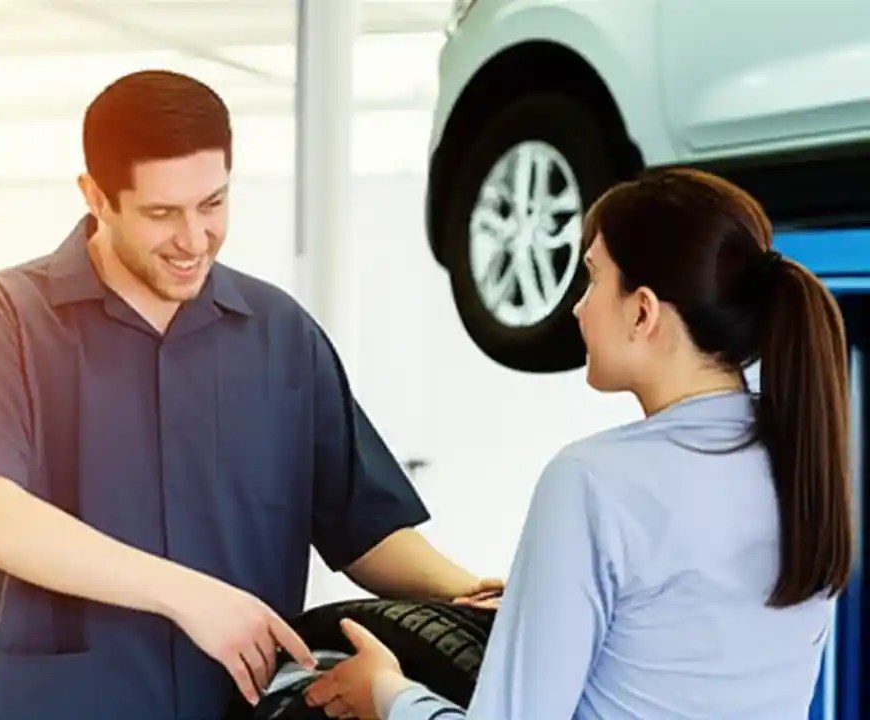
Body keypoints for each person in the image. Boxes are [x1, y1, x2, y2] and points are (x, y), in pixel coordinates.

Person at [0, 69, 502, 720]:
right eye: (162, 214)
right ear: (96, 196)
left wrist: (468, 592)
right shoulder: (7, 319)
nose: (193, 240)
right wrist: (191, 597)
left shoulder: (281, 334)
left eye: (213, 204)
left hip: (236, 707)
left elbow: (363, 525)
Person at [303, 168, 853, 719]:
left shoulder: (596, 480)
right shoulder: (802, 468)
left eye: (592, 278)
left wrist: (387, 695)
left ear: (642, 311)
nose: (578, 308)